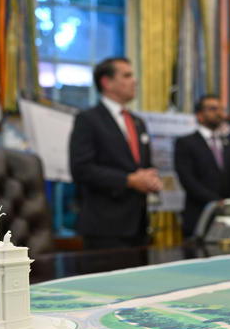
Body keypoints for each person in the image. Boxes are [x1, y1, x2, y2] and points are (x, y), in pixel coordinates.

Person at [69, 57, 162, 250]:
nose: (134, 81)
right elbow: (81, 169)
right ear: (107, 82)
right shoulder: (88, 120)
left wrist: (150, 179)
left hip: (139, 226)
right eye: (127, 76)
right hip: (105, 227)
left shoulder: (137, 122)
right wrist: (129, 180)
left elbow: (140, 165)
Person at [174, 94, 230, 238]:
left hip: (228, 219)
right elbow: (188, 180)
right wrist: (216, 202)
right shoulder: (186, 143)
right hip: (198, 216)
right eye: (213, 109)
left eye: (221, 109)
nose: (219, 113)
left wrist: (229, 203)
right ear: (200, 115)